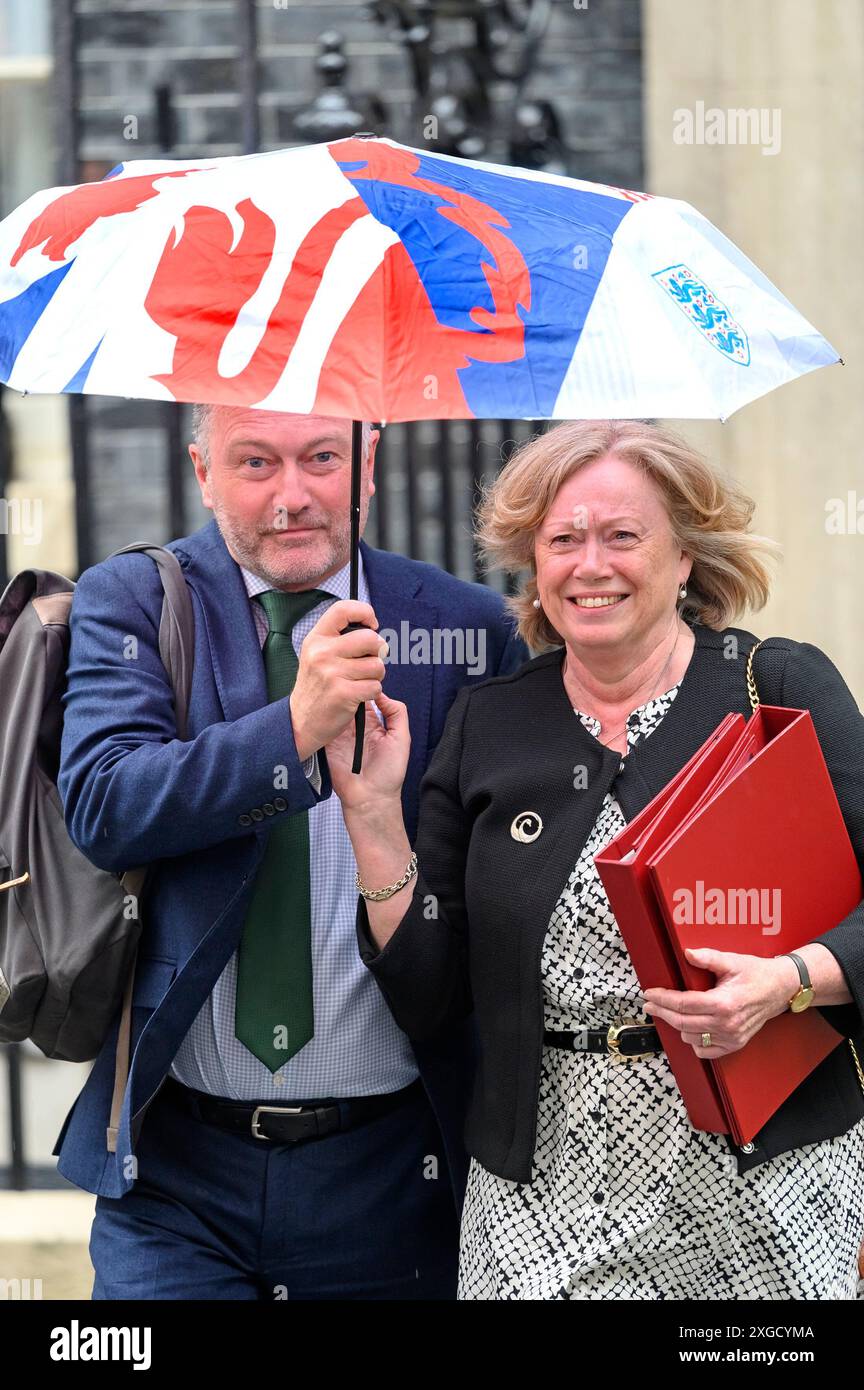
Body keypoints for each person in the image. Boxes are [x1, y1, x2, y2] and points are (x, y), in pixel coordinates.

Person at [325, 418, 864, 1300]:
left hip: (758, 1179)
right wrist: (375, 816)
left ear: (685, 556)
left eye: (624, 536)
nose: (592, 564)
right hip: (543, 1186)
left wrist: (790, 981)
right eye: (563, 539)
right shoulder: (489, 723)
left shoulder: (778, 686)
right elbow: (428, 992)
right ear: (533, 562)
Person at [55, 406, 528, 1300]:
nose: (293, 495)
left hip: (394, 1171)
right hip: (178, 1173)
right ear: (203, 471)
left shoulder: (467, 629)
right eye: (255, 463)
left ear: (369, 462)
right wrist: (294, 730)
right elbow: (106, 804)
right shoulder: (135, 602)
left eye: (321, 458)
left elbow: (498, 884)